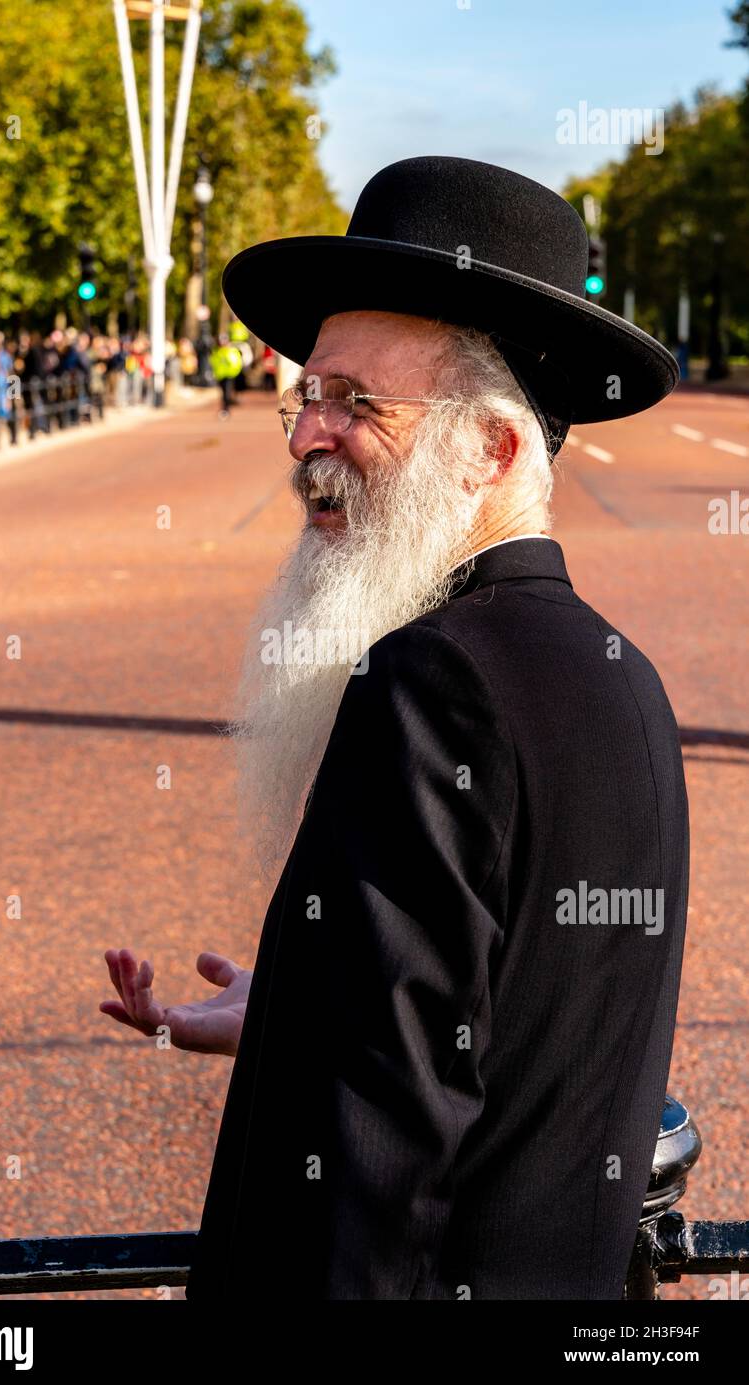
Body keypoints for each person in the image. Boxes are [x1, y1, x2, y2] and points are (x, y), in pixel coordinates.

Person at [100, 156, 689, 1300]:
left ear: (494, 451)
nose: (306, 436)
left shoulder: (430, 681)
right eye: (307, 394)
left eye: (357, 402)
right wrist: (303, 1010)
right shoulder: (627, 679)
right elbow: (513, 1019)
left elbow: (371, 1181)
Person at [209, 333, 243, 417]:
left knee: (227, 392)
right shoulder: (217, 351)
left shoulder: (231, 351)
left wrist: (234, 372)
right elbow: (214, 362)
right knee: (223, 393)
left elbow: (236, 363)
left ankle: (226, 409)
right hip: (220, 375)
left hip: (229, 375)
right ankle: (225, 408)